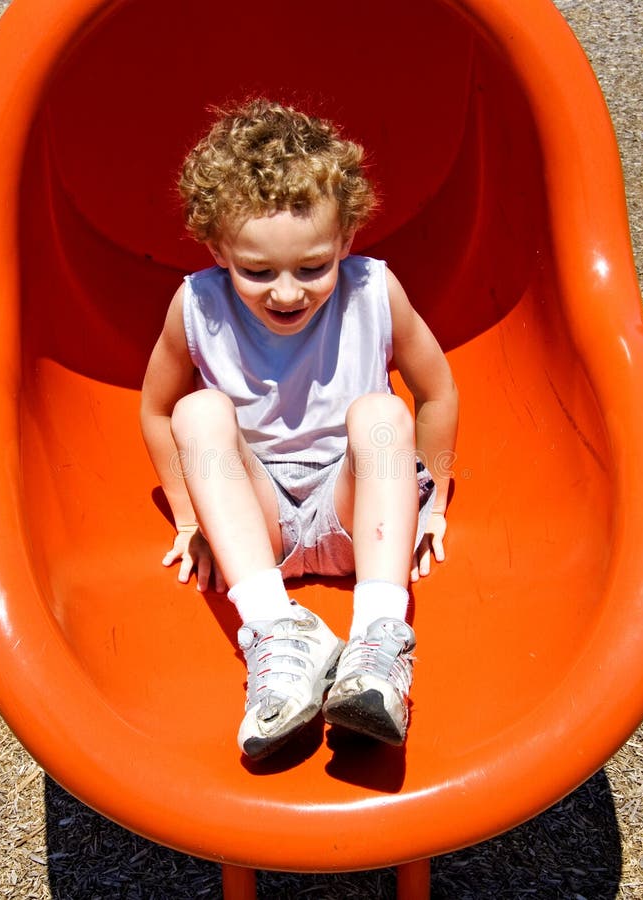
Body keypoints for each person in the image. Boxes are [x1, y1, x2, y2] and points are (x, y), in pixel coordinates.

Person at [140, 98, 458, 760]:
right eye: (257, 272)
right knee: (201, 410)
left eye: (313, 267)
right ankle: (277, 632)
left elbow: (436, 389)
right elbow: (159, 409)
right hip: (258, 528)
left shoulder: (373, 291)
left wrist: (435, 493)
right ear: (217, 249)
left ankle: (376, 644)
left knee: (379, 412)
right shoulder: (197, 305)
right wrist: (189, 519)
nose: (287, 293)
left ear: (345, 241)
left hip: (355, 519)